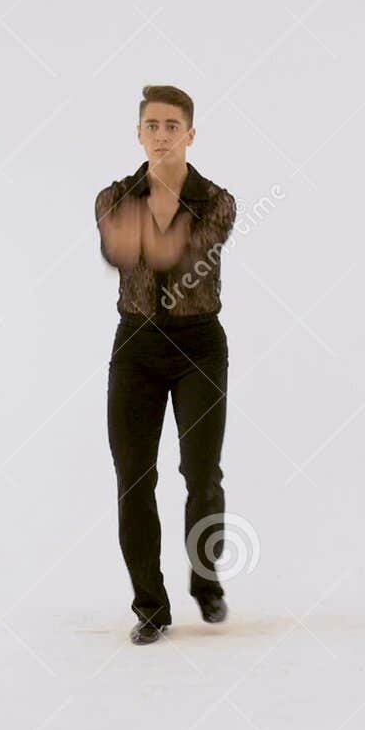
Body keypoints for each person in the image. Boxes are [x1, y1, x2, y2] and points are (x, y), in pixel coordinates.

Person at [94, 85, 238, 646]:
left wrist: (143, 238)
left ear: (190, 134)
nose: (161, 135)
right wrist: (133, 236)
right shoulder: (112, 196)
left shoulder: (218, 200)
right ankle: (150, 607)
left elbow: (184, 257)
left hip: (199, 347)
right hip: (136, 350)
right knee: (134, 481)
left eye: (172, 126)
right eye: (151, 125)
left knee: (201, 477)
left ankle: (205, 580)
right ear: (138, 133)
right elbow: (117, 252)